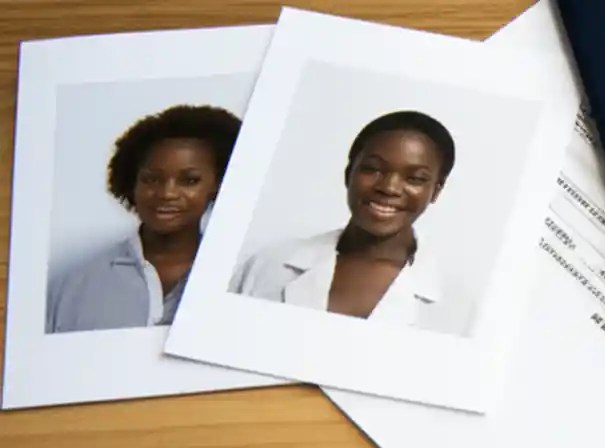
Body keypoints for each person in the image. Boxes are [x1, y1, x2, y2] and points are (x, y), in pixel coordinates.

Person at [231, 110, 455, 328]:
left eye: (415, 178)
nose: (389, 188)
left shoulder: (459, 307)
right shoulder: (268, 265)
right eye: (373, 169)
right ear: (349, 173)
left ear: (435, 191)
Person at [47, 104, 241, 333]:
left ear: (218, 185)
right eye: (152, 179)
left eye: (189, 181)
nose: (167, 194)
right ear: (131, 182)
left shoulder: (242, 278)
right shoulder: (73, 287)